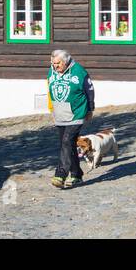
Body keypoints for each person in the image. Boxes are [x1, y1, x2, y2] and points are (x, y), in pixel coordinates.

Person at [47, 48, 94, 188]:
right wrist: (51, 109)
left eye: (58, 64)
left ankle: (60, 174)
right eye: (53, 63)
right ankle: (76, 175)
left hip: (77, 112)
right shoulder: (51, 71)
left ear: (66, 62)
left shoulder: (79, 72)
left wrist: (90, 108)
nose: (55, 66)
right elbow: (49, 89)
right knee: (67, 143)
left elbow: (90, 91)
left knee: (67, 140)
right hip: (60, 113)